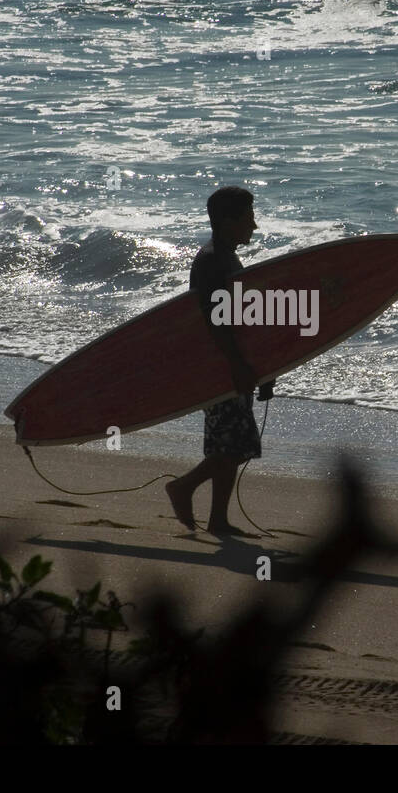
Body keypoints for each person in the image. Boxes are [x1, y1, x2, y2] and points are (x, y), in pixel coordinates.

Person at [165, 186, 274, 535]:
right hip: (219, 366)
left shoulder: (226, 256)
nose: (253, 226)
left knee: (228, 444)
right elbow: (216, 322)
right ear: (228, 221)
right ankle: (183, 486)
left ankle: (218, 520)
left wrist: (264, 367)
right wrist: (239, 367)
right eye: (248, 218)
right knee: (238, 445)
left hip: (230, 363)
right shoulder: (213, 260)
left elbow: (241, 321)